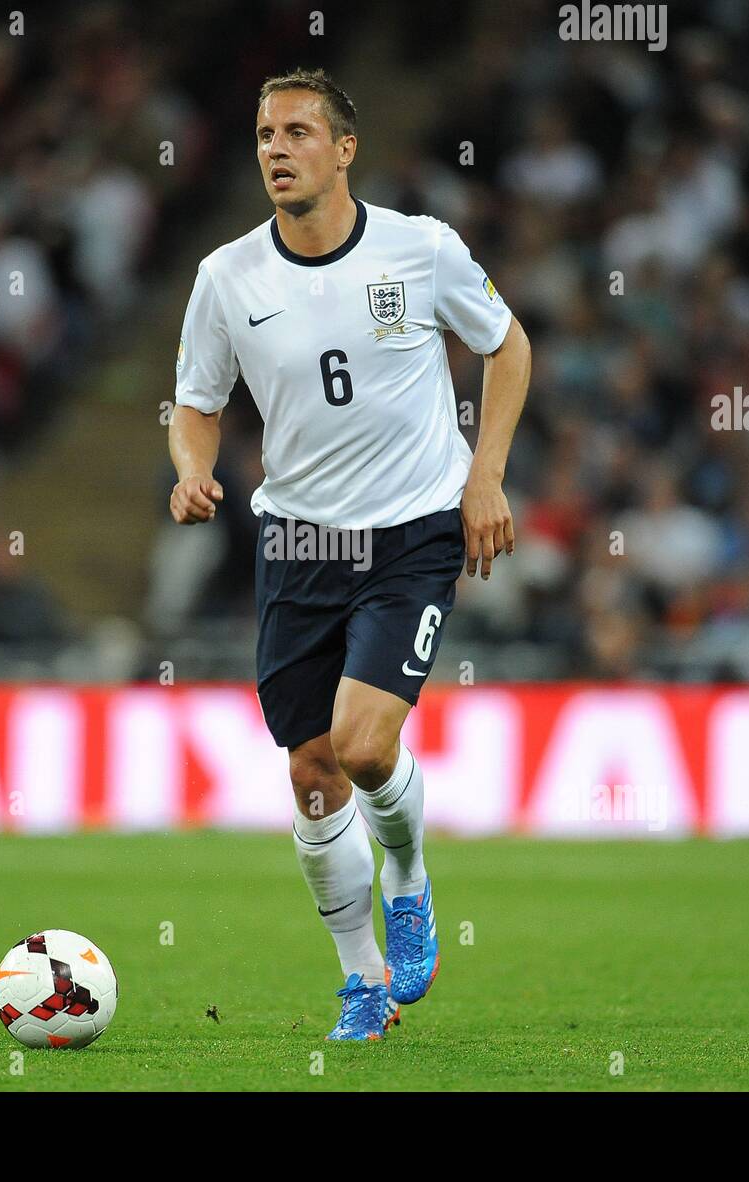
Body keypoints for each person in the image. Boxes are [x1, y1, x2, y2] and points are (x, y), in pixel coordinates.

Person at [167, 68, 530, 1040]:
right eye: (261, 134)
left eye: (295, 132)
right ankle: (361, 980)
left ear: (343, 150)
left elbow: (508, 345)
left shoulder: (420, 251)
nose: (274, 150)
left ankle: (408, 878)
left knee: (367, 747)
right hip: (298, 544)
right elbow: (197, 403)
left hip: (412, 531)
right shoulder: (226, 279)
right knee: (313, 773)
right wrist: (190, 469)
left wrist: (483, 474)